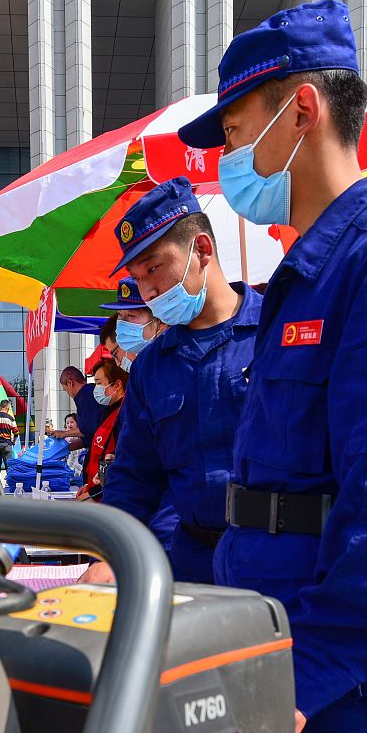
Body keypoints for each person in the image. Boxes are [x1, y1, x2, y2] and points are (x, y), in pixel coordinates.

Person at [180, 1, 367, 733]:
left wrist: (302, 681)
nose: (226, 161)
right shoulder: (303, 277)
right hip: (271, 642)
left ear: (300, 111)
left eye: (234, 134)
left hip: (338, 685)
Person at [88, 178, 259, 585]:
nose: (147, 291)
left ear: (201, 249)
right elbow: (135, 475)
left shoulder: (277, 335)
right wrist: (113, 553)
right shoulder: (154, 366)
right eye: (137, 276)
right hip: (189, 565)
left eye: (153, 269)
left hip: (274, 563)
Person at [79, 358, 129, 495]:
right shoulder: (108, 411)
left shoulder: (125, 415)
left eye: (99, 383)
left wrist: (93, 494)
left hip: (108, 495)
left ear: (117, 385)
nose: (96, 389)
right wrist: (88, 486)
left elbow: (120, 462)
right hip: (96, 490)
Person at [50, 366, 111, 452]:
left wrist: (64, 433)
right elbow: (89, 435)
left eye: (65, 389)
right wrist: (64, 449)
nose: (68, 393)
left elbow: (87, 429)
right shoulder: (89, 391)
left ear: (70, 383)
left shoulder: (85, 395)